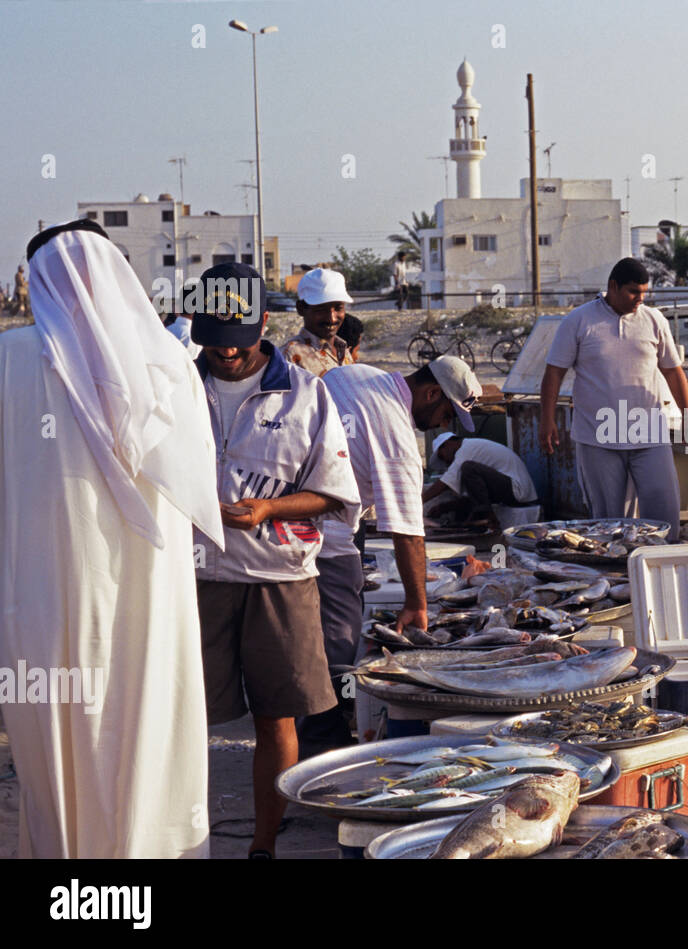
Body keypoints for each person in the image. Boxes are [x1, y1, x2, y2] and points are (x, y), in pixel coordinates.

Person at [1, 220, 223, 857]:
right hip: (146, 601)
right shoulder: (167, 368)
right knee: (143, 721)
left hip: (39, 597)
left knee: (54, 750)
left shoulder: (9, 359)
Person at [190, 262, 361, 856]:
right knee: (183, 720)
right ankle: (179, 839)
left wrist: (268, 510)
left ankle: (263, 846)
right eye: (213, 341)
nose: (226, 354)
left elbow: (333, 493)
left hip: (279, 580)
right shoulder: (177, 389)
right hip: (191, 580)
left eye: (238, 342)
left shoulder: (307, 392)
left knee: (276, 718)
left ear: (263, 323)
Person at [323, 355, 483, 636]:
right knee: (340, 633)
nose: (444, 425)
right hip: (328, 539)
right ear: (432, 393)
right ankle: (337, 678)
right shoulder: (399, 442)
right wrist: (416, 603)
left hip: (281, 522)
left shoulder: (353, 373)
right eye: (447, 414)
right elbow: (407, 533)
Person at [541, 258, 688, 540]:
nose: (640, 299)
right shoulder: (578, 320)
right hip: (598, 437)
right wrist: (546, 420)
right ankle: (617, 581)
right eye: (634, 291)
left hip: (650, 434)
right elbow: (553, 374)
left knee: (665, 517)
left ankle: (661, 575)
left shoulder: (654, 319)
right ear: (613, 286)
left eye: (644, 292)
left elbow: (672, 371)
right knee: (608, 525)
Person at [424, 432, 538, 526]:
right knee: (468, 494)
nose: (446, 462)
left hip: (518, 490)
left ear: (447, 444)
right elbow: (476, 495)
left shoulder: (466, 449)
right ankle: (481, 515)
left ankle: (485, 516)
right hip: (519, 493)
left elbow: (445, 483)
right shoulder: (471, 449)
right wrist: (444, 508)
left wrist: (419, 501)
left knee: (468, 468)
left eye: (442, 456)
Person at [282, 267, 355, 376]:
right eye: (321, 309)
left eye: (338, 308)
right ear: (301, 309)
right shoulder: (290, 356)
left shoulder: (343, 351)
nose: (332, 318)